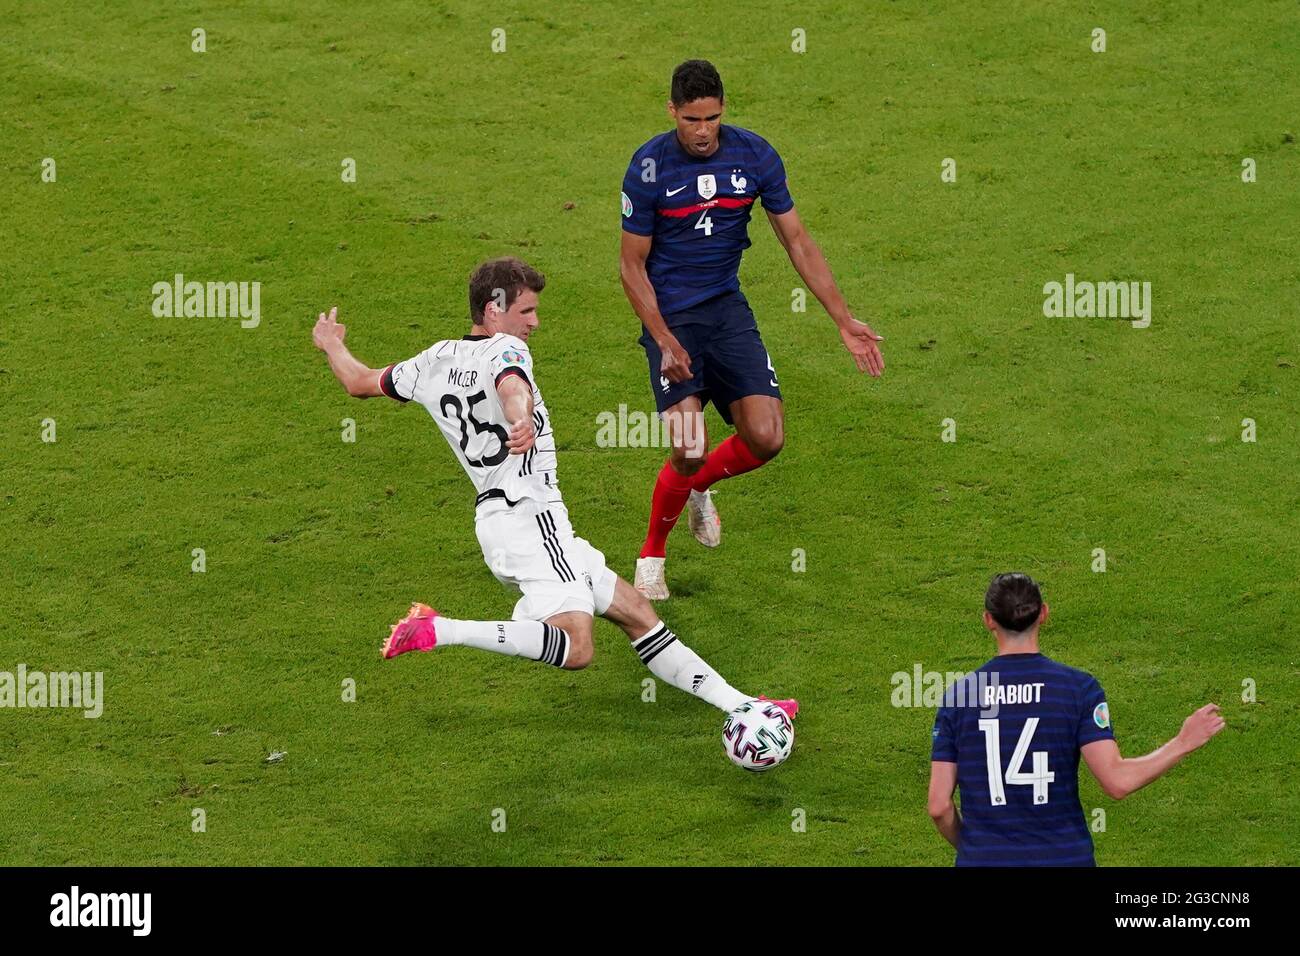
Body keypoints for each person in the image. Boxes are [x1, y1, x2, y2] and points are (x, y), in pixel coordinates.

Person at [311, 256, 797, 722]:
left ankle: (742, 706)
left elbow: (359, 382)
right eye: (527, 310)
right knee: (577, 648)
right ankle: (440, 629)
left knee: (636, 612)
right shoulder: (506, 348)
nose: (535, 322)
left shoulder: (433, 359)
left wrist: (332, 345)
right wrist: (520, 419)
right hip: (530, 515)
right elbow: (511, 385)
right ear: (494, 310)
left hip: (508, 521)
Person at [620, 58, 885, 599]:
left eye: (712, 118)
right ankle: (651, 554)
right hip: (670, 318)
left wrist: (843, 319)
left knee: (767, 437)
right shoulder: (648, 168)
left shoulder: (754, 155)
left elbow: (798, 241)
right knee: (689, 447)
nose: (702, 130)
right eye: (692, 119)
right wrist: (664, 339)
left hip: (725, 312)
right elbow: (631, 266)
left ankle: (698, 489)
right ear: (672, 111)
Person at [927, 572, 1225, 865]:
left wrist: (973, 847)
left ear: (988, 620)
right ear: (1043, 613)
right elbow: (1117, 781)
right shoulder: (1076, 689)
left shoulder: (960, 697)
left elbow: (939, 806)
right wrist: (1182, 742)